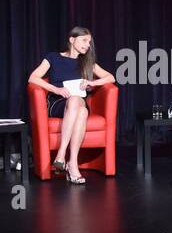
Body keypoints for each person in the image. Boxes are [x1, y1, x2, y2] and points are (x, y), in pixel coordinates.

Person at [27, 26, 116, 184]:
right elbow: (33, 78)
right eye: (84, 40)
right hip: (58, 102)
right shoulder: (53, 57)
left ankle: (64, 157)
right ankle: (70, 162)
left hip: (78, 100)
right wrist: (56, 89)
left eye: (89, 42)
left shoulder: (87, 62)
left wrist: (91, 82)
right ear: (72, 39)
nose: (87, 45)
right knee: (81, 111)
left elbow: (111, 77)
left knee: (77, 103)